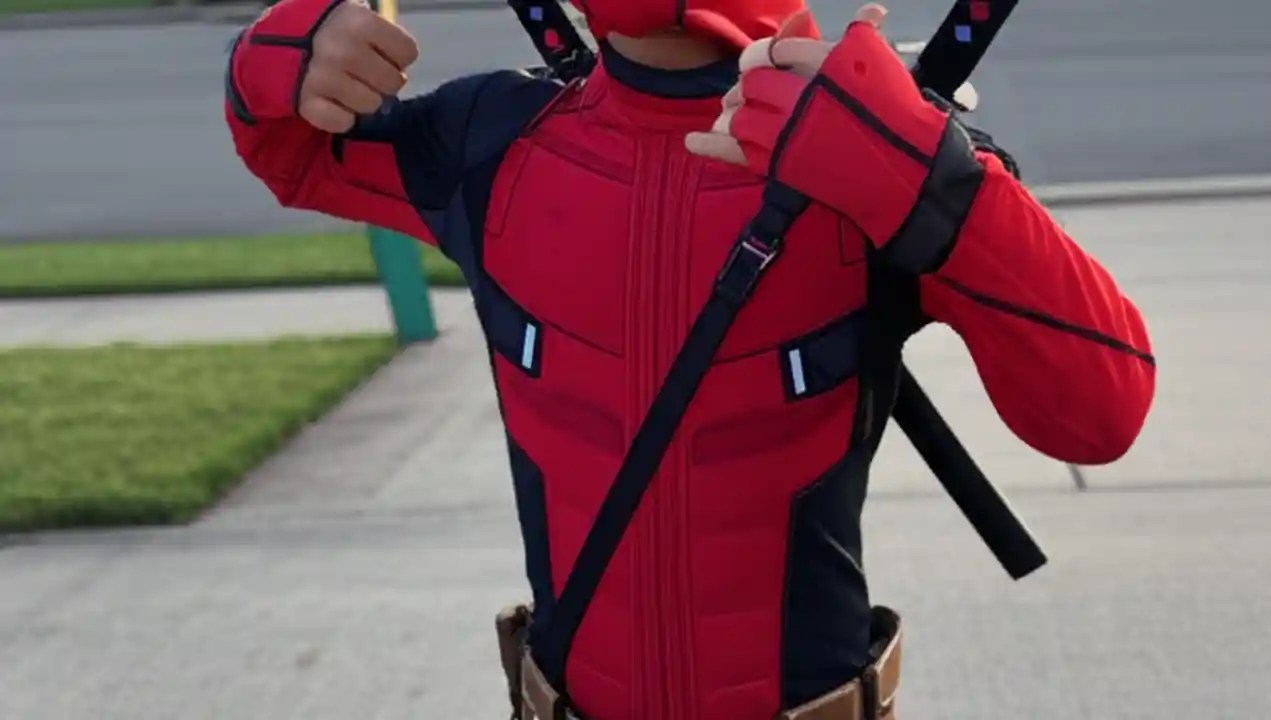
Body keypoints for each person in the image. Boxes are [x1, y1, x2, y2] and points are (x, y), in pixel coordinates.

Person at [224, 0, 1157, 717]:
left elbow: (1099, 411)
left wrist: (943, 187)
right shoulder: (491, 147)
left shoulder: (884, 154)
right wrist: (280, 53)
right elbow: (295, 154)